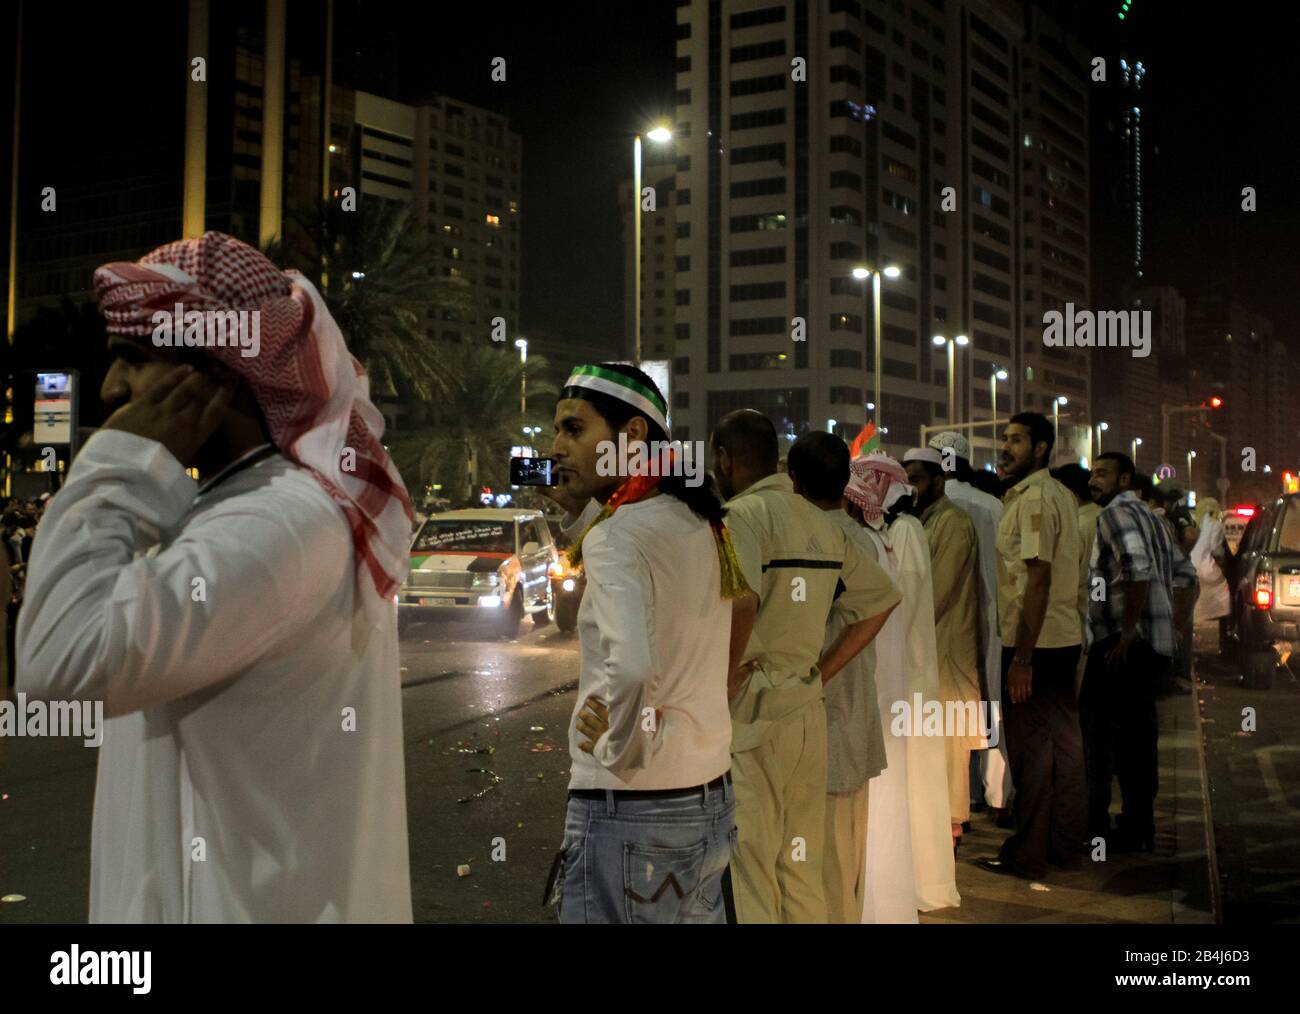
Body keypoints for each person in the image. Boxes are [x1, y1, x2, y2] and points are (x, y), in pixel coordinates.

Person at [18, 232, 414, 922]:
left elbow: (59, 661)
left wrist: (117, 461)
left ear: (216, 374)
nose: (113, 389)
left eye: (133, 359)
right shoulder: (241, 507)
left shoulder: (282, 523)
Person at [541, 363, 749, 924]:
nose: (555, 446)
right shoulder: (697, 519)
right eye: (557, 430)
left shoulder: (616, 536)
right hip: (707, 797)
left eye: (574, 429)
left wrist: (621, 750)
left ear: (632, 436)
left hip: (632, 808)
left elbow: (631, 667)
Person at [710, 412, 898, 923]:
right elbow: (881, 601)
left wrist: (724, 680)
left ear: (725, 458)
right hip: (806, 710)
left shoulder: (740, 517)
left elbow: (741, 601)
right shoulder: (819, 521)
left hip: (754, 714)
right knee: (801, 863)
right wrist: (822, 670)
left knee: (753, 867)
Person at [786, 432, 900, 923]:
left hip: (823, 723)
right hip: (848, 719)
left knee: (821, 864)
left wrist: (815, 677)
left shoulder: (809, 540)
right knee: (846, 858)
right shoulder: (862, 539)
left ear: (794, 482)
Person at [844, 452, 961, 917]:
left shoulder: (906, 532)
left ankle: (905, 886)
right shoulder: (890, 533)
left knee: (906, 783)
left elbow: (905, 605)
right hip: (894, 671)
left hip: (903, 674)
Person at [977, 412, 1085, 881]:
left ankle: (1028, 854)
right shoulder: (1059, 493)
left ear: (1041, 448)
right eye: (1005, 439)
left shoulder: (1036, 499)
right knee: (1063, 748)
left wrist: (1021, 658)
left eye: (1017, 440)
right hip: (1061, 639)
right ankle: (1063, 845)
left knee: (1031, 754)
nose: (1006, 447)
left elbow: (1037, 579)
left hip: (1034, 644)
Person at [1082, 452, 1197, 851]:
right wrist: (1174, 627)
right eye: (1093, 473)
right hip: (1154, 647)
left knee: (1100, 737)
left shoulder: (1113, 514)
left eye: (1103, 474)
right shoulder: (1157, 520)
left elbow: (1136, 567)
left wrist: (1130, 628)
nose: (1094, 481)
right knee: (1140, 739)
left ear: (1124, 479)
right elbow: (1187, 576)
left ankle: (1097, 829)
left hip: (1121, 644)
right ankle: (1138, 827)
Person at [928, 432, 1012, 827]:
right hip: (992, 616)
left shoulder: (935, 508)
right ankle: (997, 795)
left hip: (950, 621)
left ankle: (959, 802)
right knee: (991, 708)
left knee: (952, 718)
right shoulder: (992, 505)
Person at [903, 447, 982, 852]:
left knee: (949, 752)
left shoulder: (952, 522)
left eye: (917, 478)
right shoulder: (922, 522)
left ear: (939, 480)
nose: (911, 487)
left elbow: (936, 593)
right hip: (928, 656)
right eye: (907, 479)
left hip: (947, 656)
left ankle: (948, 837)